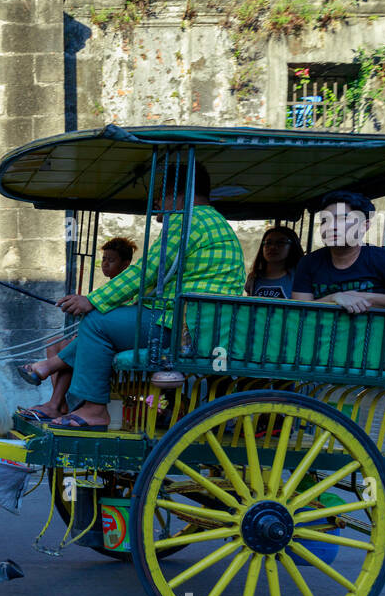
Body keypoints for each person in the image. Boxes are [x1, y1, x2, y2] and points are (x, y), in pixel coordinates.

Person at [20, 161, 245, 431]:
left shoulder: (190, 220)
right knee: (98, 324)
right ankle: (52, 381)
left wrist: (92, 300)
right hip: (194, 321)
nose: (159, 202)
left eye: (162, 195)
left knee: (96, 323)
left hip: (185, 326)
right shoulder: (210, 221)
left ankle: (92, 408)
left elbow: (147, 271)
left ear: (179, 193)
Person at [16, 237, 133, 421]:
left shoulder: (129, 290)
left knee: (68, 348)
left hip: (116, 339)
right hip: (100, 334)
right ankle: (60, 404)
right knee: (52, 344)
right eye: (104, 259)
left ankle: (55, 404)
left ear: (126, 264)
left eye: (111, 260)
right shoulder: (106, 288)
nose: (105, 264)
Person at [291, 190, 385, 312]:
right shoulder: (308, 262)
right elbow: (299, 309)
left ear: (364, 226)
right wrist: (335, 298)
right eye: (325, 220)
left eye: (343, 219)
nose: (331, 226)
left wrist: (363, 297)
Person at [245, 226, 303, 298]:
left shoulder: (299, 277)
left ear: (293, 246)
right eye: (268, 243)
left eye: (281, 242)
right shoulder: (253, 277)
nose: (273, 247)